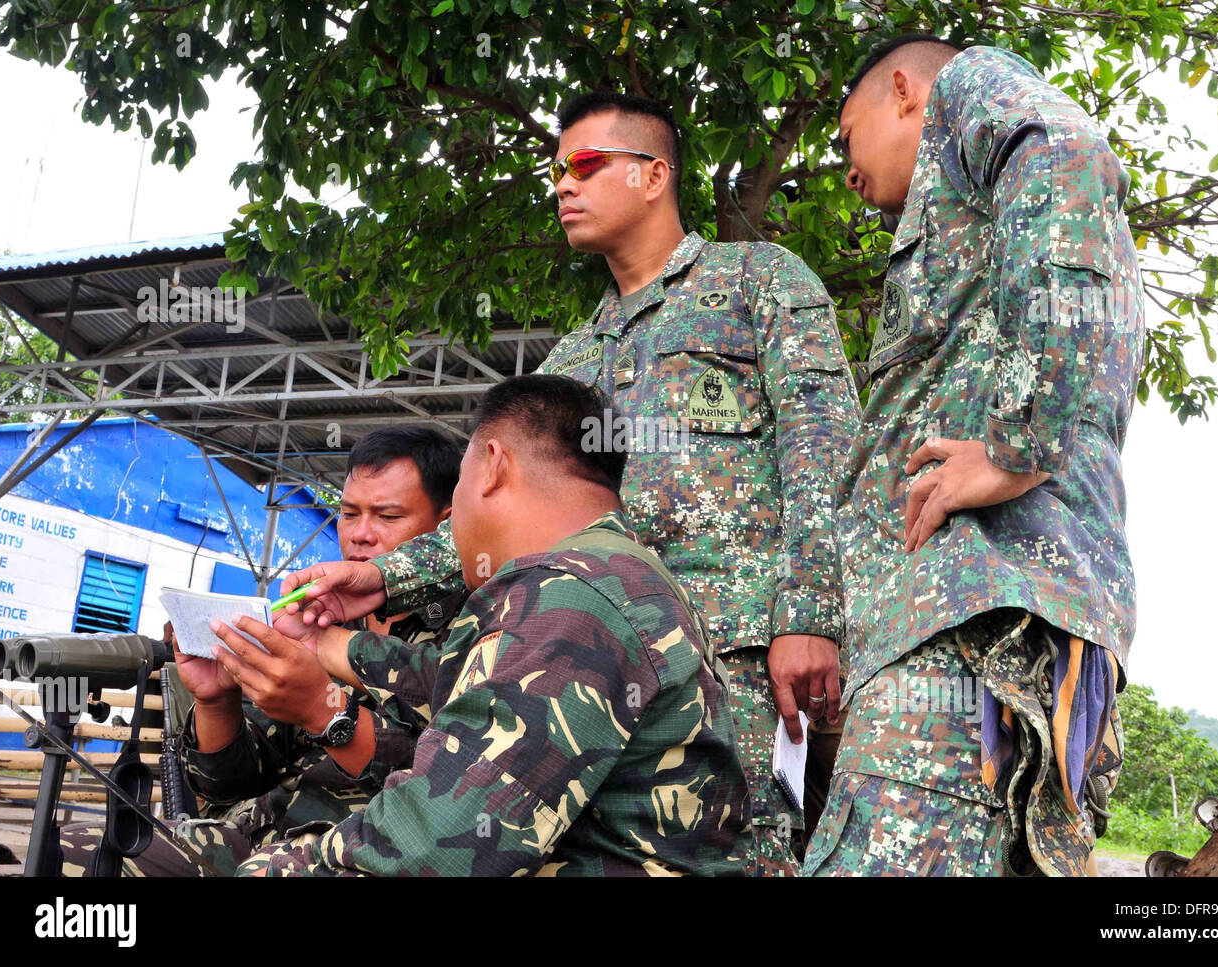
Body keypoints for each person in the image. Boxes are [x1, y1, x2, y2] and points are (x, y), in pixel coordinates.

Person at [276, 92, 860, 875]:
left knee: (732, 857)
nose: (562, 185)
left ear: (655, 176)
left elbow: (829, 450)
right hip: (585, 665)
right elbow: (496, 516)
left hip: (738, 660)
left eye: (585, 166)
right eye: (555, 170)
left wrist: (810, 614)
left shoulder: (759, 284)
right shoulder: (569, 362)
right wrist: (380, 575)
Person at [804, 35, 1142, 877]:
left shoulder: (967, 87)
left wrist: (1014, 446)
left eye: (848, 137)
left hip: (976, 619)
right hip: (992, 624)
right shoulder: (967, 207)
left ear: (903, 89)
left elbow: (1071, 161)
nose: (845, 170)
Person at [226, 375, 750, 876]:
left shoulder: (570, 592)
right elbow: (461, 679)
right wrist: (326, 644)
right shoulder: (615, 576)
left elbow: (435, 845)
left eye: (460, 484)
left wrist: (271, 866)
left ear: (493, 466)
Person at [59, 427, 462, 876]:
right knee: (79, 853)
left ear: (446, 528)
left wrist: (324, 711)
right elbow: (227, 787)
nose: (361, 534)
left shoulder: (472, 629)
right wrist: (215, 700)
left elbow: (446, 792)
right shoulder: (312, 617)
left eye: (387, 517)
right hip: (260, 835)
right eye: (349, 513)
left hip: (365, 851)